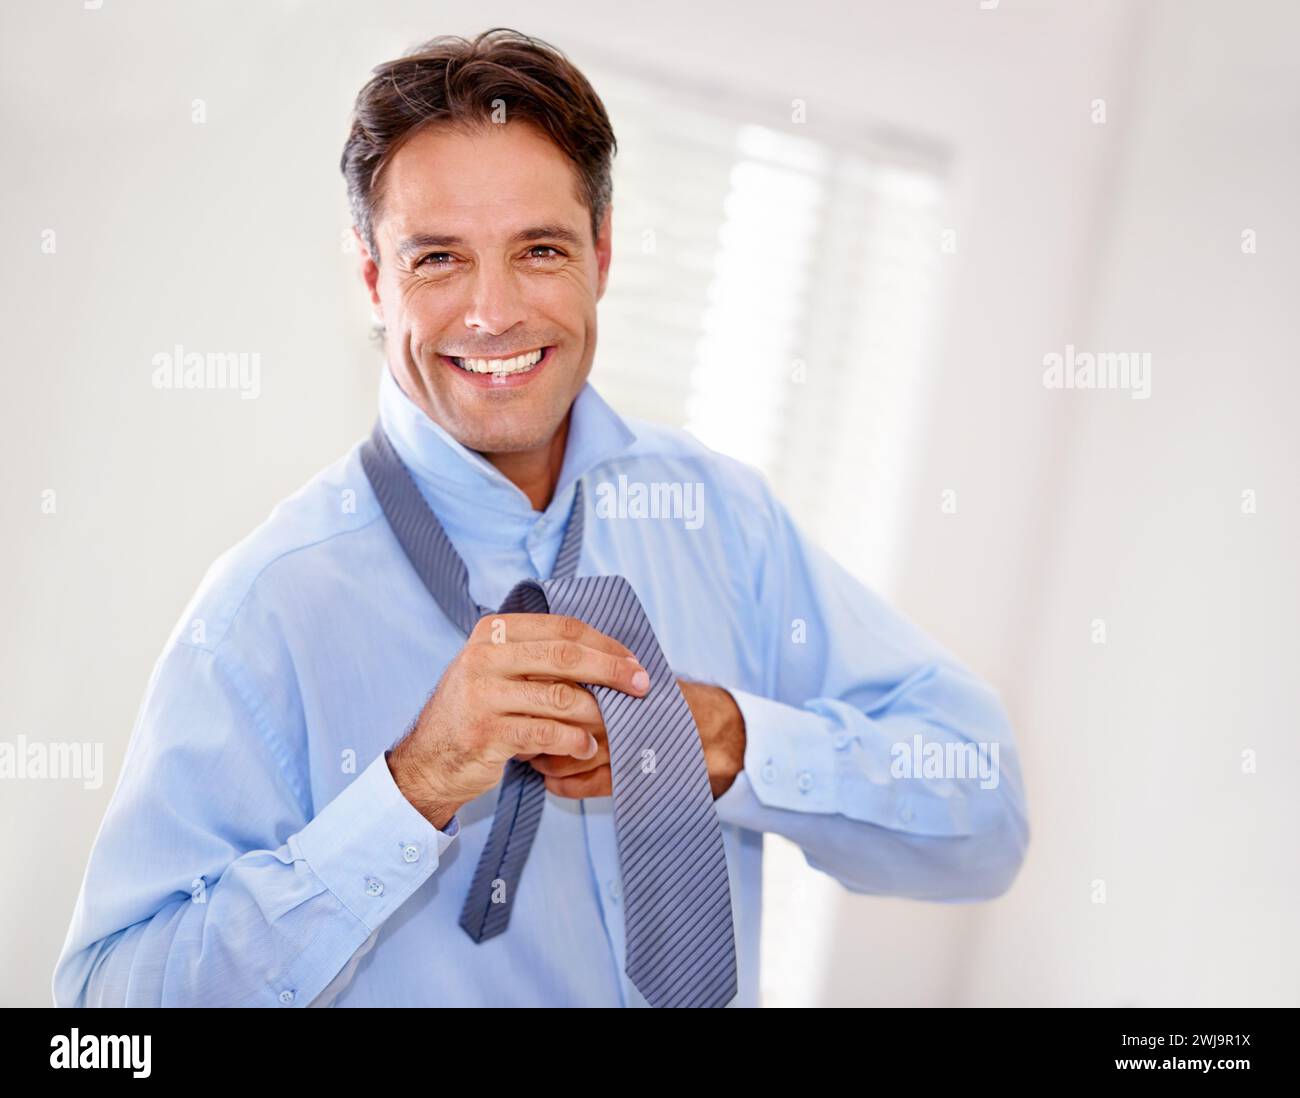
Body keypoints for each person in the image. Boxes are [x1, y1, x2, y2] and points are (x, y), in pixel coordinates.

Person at [53, 27, 1028, 1008]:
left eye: (539, 250)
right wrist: (411, 789)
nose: (492, 313)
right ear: (370, 279)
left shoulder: (720, 520)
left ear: (601, 253)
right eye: (438, 259)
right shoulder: (271, 607)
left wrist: (729, 741)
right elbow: (102, 1017)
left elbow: (984, 811)